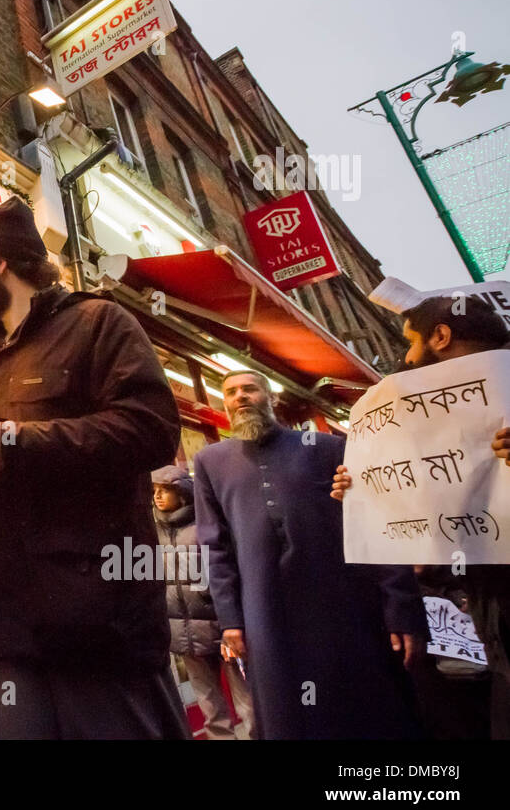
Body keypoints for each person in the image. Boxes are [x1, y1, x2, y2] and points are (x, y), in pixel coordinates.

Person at [0, 197, 188, 739]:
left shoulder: (100, 322)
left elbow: (151, 431)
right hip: (1, 618)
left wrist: (12, 441)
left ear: (2, 263)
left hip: (91, 619)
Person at [194, 369, 426, 739]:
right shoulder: (211, 462)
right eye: (231, 392)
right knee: (287, 716)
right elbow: (214, 546)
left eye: (250, 389)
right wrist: (231, 620)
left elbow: (375, 525)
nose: (240, 396)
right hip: (264, 613)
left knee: (365, 712)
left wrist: (401, 608)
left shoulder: (325, 447)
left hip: (341, 607)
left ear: (270, 399)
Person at [332, 294, 510, 738]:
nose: (405, 358)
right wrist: (365, 492)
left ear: (441, 337)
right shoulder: (450, 422)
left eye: (409, 343)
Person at [150, 465, 253, 739]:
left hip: (221, 628)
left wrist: (232, 621)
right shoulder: (153, 533)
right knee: (211, 708)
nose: (158, 497)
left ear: (182, 493)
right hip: (183, 634)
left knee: (248, 703)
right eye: (155, 491)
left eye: (165, 490)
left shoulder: (204, 527)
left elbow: (225, 572)